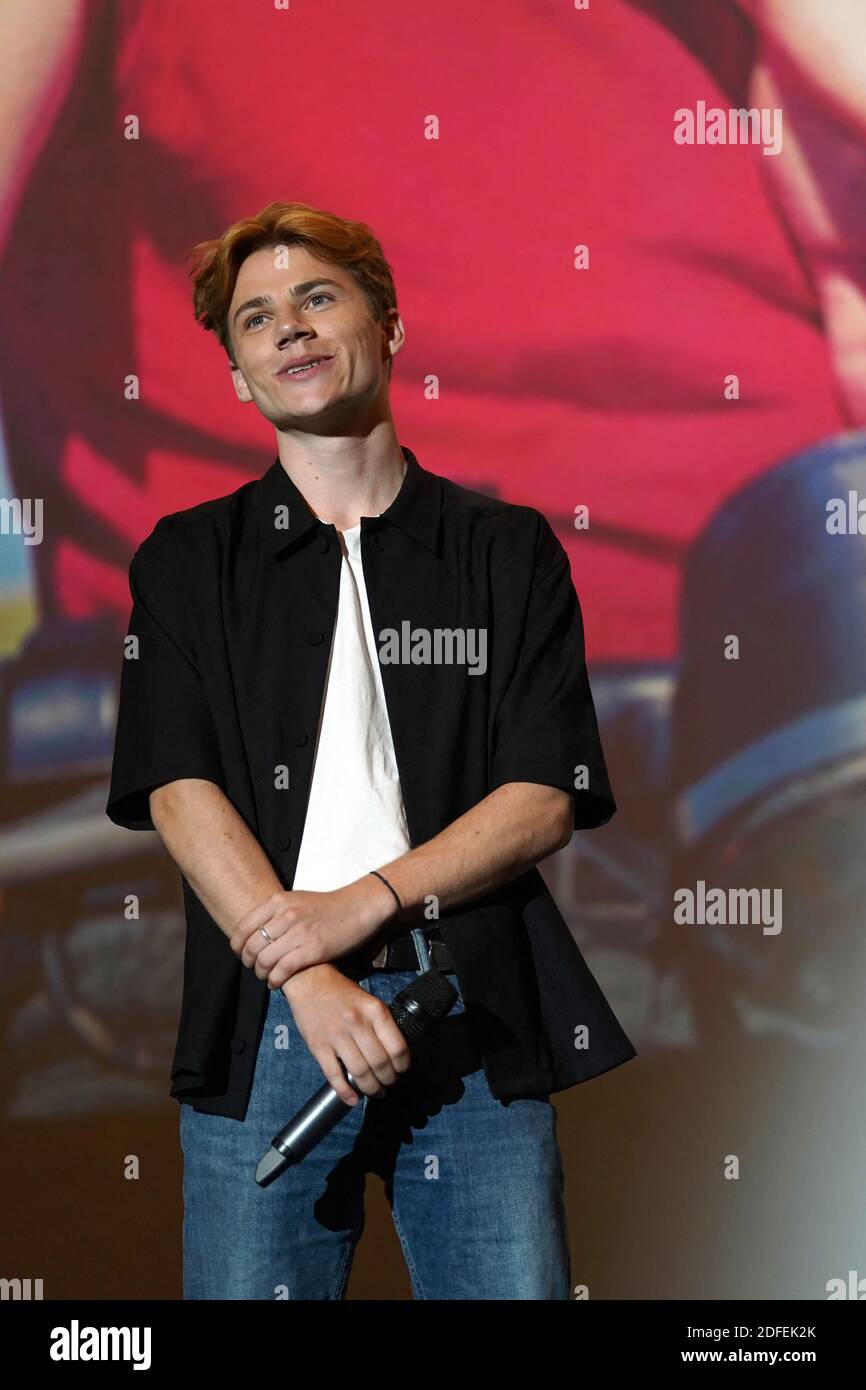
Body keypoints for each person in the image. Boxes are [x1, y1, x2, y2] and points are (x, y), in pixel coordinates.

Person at [106, 201, 636, 1300]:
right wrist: (307, 972)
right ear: (239, 376)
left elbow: (544, 794)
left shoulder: (503, 550)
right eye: (257, 319)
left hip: (469, 1010)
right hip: (268, 1023)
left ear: (387, 326)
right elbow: (176, 788)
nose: (289, 329)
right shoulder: (187, 560)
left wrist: (363, 904)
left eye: (317, 298)